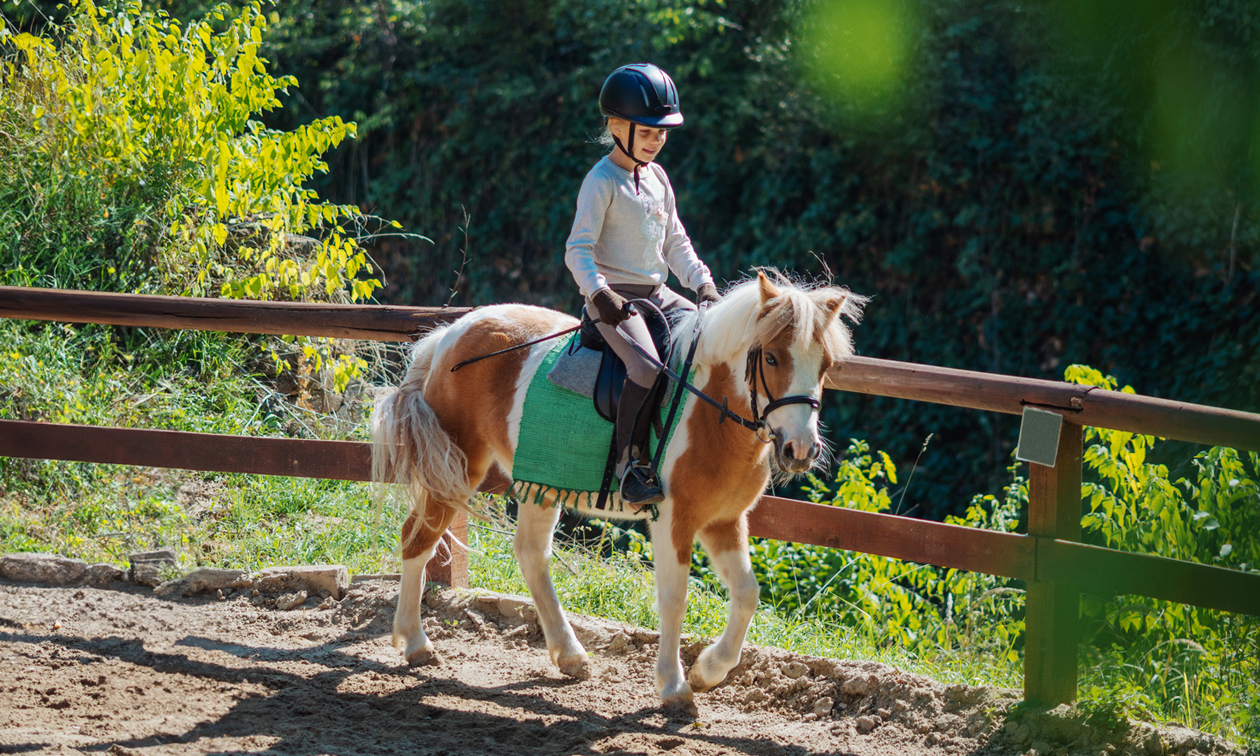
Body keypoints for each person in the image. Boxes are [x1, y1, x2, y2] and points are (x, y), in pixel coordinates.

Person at [564, 62, 722, 508]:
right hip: (612, 300)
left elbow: (675, 242)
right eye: (648, 131)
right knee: (647, 368)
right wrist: (598, 292)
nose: (657, 140)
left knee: (708, 342)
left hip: (657, 293)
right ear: (616, 126)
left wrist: (703, 285)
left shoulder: (658, 179)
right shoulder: (600, 182)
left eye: (662, 132)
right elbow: (576, 251)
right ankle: (629, 464)